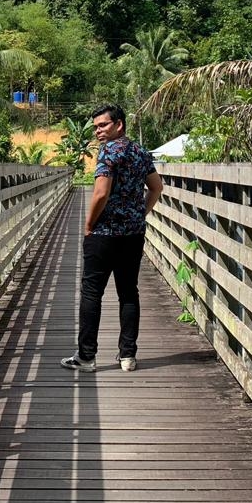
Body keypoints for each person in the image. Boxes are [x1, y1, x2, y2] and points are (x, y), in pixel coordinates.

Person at [61, 104, 162, 372]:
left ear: (119, 124)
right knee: (128, 292)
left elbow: (100, 193)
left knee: (92, 292)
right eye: (95, 127)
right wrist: (140, 213)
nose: (98, 131)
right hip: (133, 233)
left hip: (104, 234)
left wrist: (88, 224)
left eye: (103, 125)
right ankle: (128, 356)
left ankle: (86, 357)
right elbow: (156, 187)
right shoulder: (141, 152)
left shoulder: (107, 153)